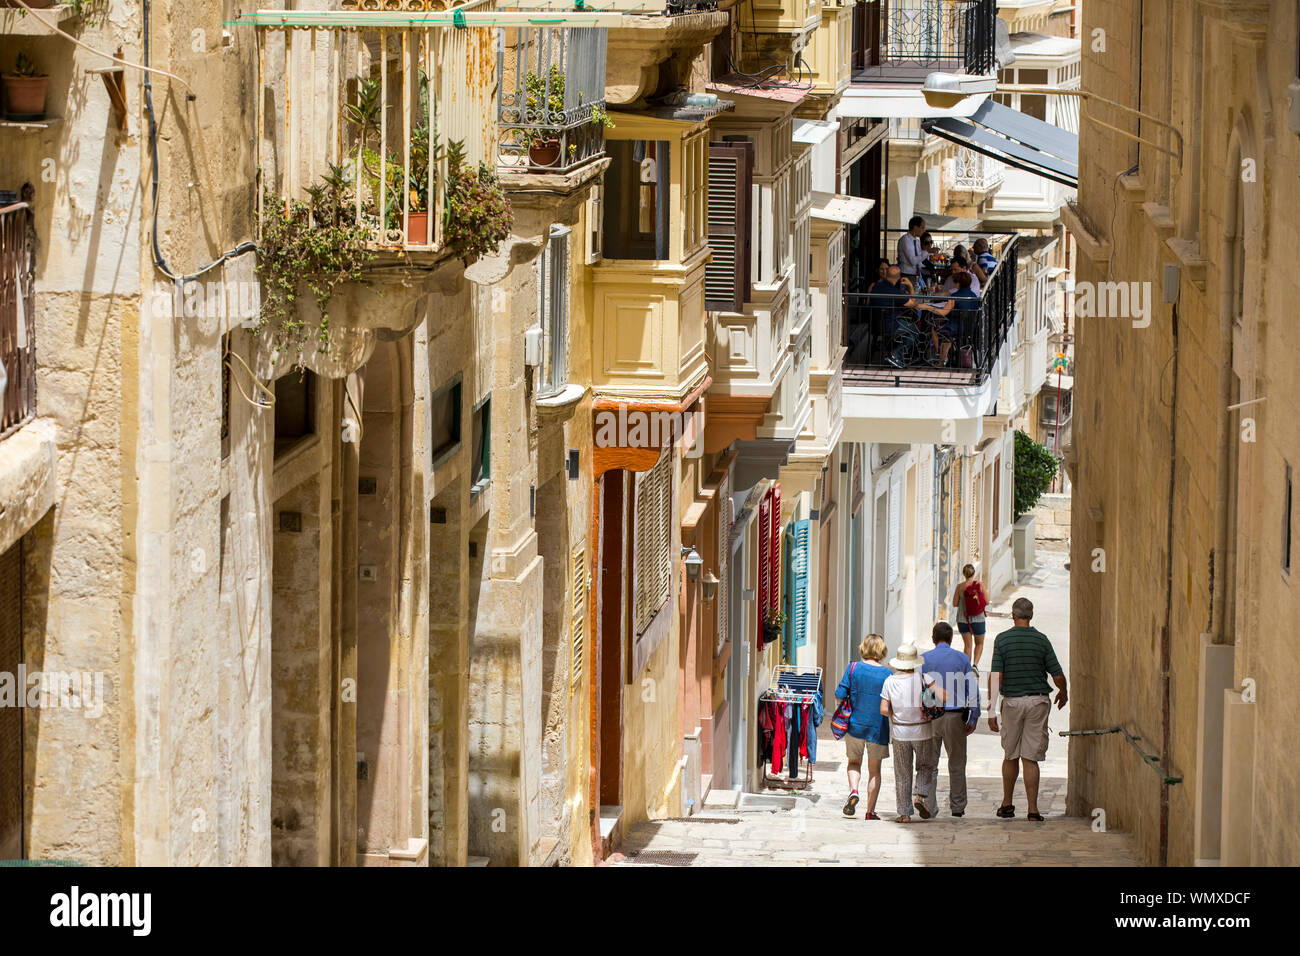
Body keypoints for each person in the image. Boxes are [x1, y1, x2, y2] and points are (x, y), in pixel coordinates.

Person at [988, 598, 1068, 822]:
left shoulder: (1002, 640)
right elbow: (1058, 675)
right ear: (1031, 616)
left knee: (1010, 754)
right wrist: (1064, 692)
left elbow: (997, 676)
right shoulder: (1041, 640)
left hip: (1012, 702)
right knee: (1030, 757)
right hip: (1037, 702)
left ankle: (1007, 803)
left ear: (1013, 615)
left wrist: (991, 709)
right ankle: (1033, 810)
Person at [917, 622, 980, 818]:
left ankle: (929, 803)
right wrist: (974, 716)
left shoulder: (924, 659)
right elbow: (972, 689)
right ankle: (958, 807)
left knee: (930, 763)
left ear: (933, 638)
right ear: (951, 639)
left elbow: (917, 689)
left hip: (931, 718)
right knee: (957, 763)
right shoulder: (962, 658)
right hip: (955, 716)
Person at [880, 643, 943, 822]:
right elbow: (941, 697)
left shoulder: (890, 681)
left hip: (900, 733)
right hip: (923, 731)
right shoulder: (925, 678)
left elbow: (883, 709)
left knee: (902, 773)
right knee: (925, 766)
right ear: (915, 663)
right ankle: (920, 796)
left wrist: (896, 715)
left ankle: (904, 814)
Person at [834, 634, 892, 821]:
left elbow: (839, 695)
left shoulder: (853, 668)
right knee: (875, 770)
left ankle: (853, 790)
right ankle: (870, 812)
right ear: (881, 651)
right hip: (877, 729)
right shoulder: (887, 674)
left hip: (854, 727)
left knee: (853, 763)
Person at [914, 272, 979, 365]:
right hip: (970, 328)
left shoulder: (955, 296)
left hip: (956, 328)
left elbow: (943, 312)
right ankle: (944, 357)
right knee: (944, 329)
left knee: (935, 328)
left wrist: (927, 307)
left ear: (958, 283)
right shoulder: (974, 296)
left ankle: (940, 356)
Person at [952, 563, 989, 667]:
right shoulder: (980, 585)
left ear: (964, 574)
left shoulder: (959, 587)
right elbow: (986, 601)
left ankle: (967, 668)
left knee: (968, 645)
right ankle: (975, 665)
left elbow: (954, 604)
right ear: (974, 573)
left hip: (963, 620)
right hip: (978, 620)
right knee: (979, 644)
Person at [897, 215, 926, 285]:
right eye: (922, 228)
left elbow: (919, 261)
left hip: (916, 274)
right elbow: (913, 261)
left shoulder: (917, 241)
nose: (924, 230)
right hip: (906, 274)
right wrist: (927, 252)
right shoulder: (905, 240)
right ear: (915, 228)